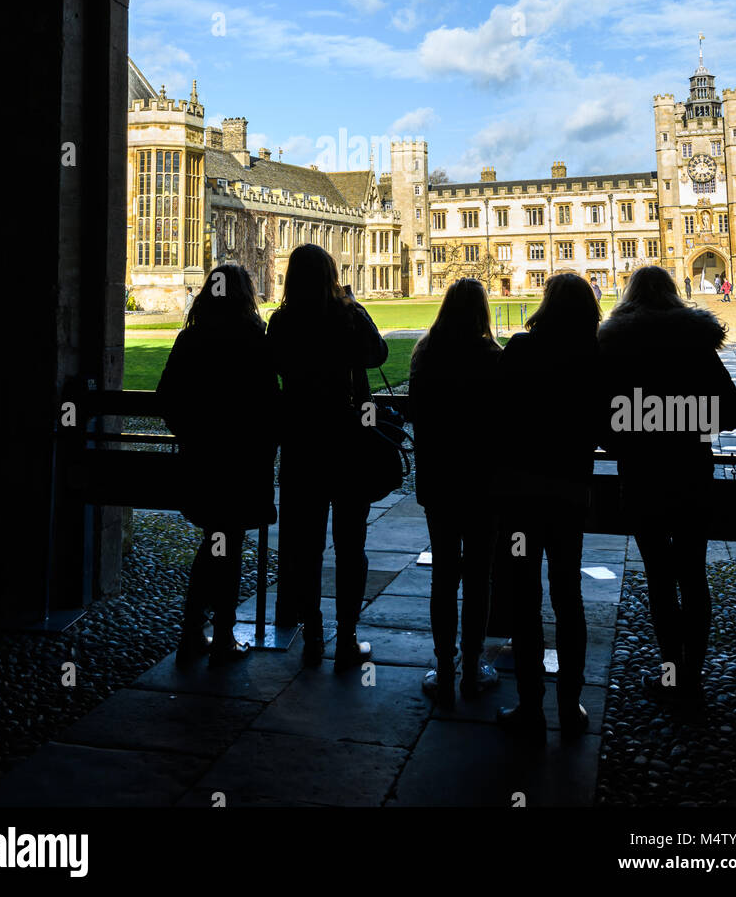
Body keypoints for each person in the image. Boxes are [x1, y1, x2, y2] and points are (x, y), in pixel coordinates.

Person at [597, 265, 736, 705]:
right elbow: (730, 412)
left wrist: (636, 434)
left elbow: (604, 422)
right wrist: (686, 424)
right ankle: (692, 678)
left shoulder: (617, 344)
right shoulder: (694, 340)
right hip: (689, 470)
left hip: (642, 474)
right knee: (693, 576)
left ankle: (670, 673)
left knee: (660, 579)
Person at [266, 245, 388, 671]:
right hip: (347, 441)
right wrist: (355, 305)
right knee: (351, 545)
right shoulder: (347, 315)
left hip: (302, 444)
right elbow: (379, 355)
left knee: (307, 547)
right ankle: (348, 637)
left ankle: (314, 633)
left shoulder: (281, 321)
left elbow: (273, 370)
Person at [494, 274, 603, 743]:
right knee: (567, 596)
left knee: (524, 598)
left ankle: (530, 704)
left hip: (522, 493)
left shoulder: (520, 349)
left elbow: (495, 412)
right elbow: (605, 427)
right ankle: (570, 704)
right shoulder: (593, 357)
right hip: (569, 491)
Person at [156, 264, 278, 667]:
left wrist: (192, 434)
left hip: (205, 461)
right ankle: (217, 635)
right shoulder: (252, 340)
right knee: (224, 547)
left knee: (215, 544)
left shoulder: (192, 338)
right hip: (240, 464)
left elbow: (166, 398)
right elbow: (268, 404)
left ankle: (195, 632)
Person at [408, 278, 502, 709]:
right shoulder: (492, 358)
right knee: (478, 575)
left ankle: (444, 665)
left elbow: (419, 418)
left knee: (444, 574)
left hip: (439, 479)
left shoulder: (425, 355)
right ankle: (471, 665)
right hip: (481, 480)